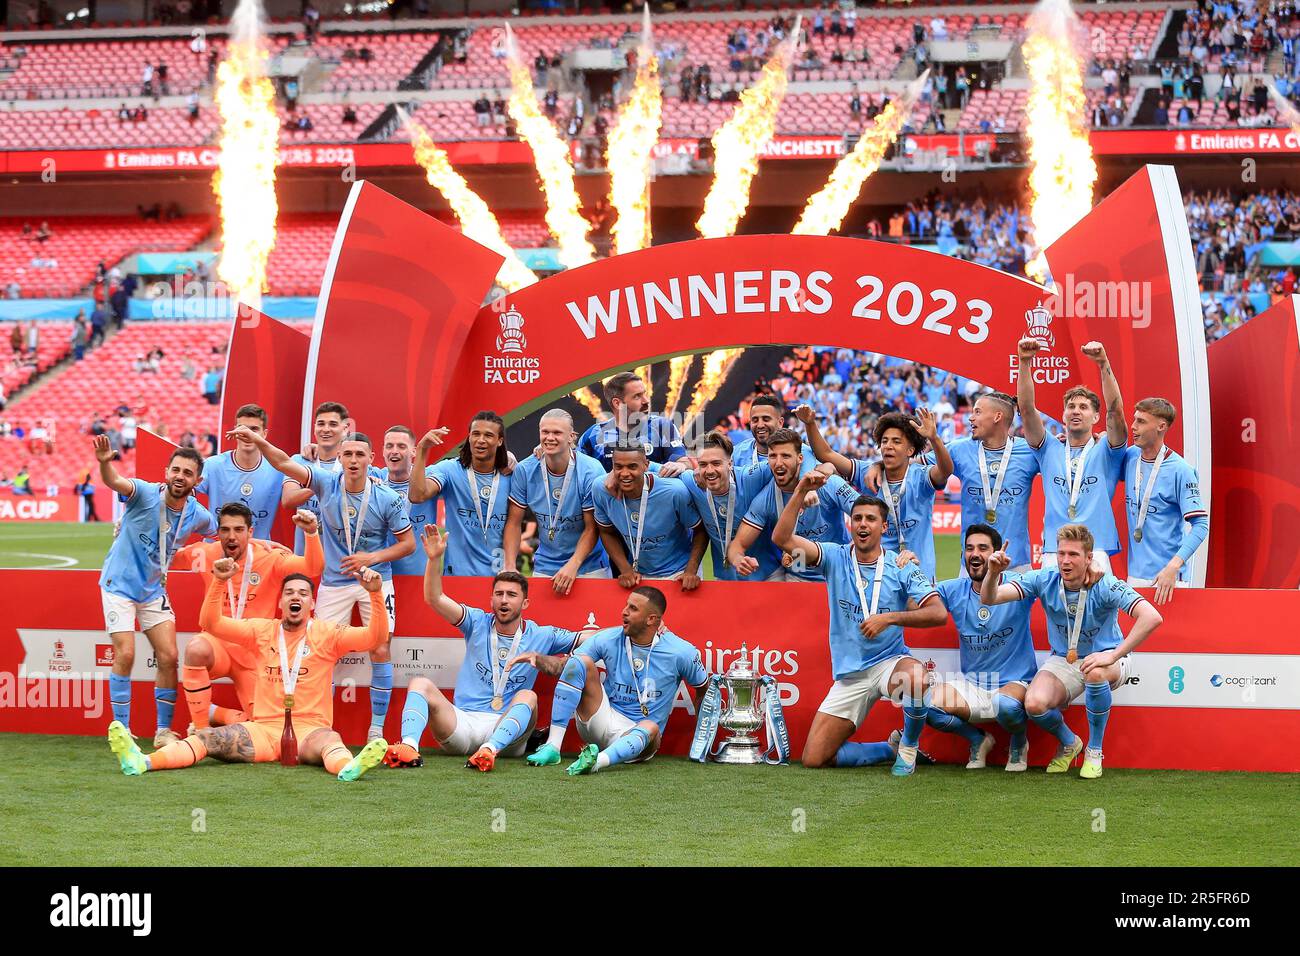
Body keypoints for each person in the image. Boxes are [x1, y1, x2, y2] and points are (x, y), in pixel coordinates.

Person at [107, 563, 390, 782]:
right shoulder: (262, 631)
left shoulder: (328, 634)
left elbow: (375, 637)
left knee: (330, 740)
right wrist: (219, 581)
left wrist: (375, 595)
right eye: (289, 593)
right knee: (207, 738)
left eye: (303, 594)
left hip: (310, 729)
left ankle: (348, 768)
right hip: (262, 730)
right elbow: (211, 623)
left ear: (312, 604)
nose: (296, 597)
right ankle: (142, 762)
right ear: (281, 602)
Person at [228, 423, 414, 742]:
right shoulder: (326, 482)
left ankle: (376, 729)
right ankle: (318, 725)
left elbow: (407, 544)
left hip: (375, 579)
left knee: (381, 647)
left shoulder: (386, 497)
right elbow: (283, 463)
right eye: (348, 454)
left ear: (371, 459)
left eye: (360, 455)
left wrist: (371, 558)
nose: (353, 460)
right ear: (339, 457)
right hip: (335, 582)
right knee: (318, 651)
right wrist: (258, 439)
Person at [773, 472, 947, 775]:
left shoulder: (901, 565)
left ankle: (908, 746)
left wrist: (889, 618)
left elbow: (938, 613)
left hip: (889, 662)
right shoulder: (833, 557)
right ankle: (888, 748)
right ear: (850, 524)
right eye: (857, 518)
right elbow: (782, 540)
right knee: (814, 758)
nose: (863, 524)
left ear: (884, 526)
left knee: (917, 679)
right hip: (852, 674)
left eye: (870, 519)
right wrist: (800, 490)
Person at [385, 526, 581, 772]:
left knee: (528, 696)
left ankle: (489, 751)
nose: (504, 599)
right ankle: (409, 747)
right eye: (499, 594)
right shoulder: (476, 622)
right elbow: (434, 598)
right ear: (491, 600)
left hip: (505, 732)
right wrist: (434, 560)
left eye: (511, 595)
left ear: (525, 603)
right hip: (462, 723)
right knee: (419, 684)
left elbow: (587, 638)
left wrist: (620, 631)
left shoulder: (542, 634)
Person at [980, 524, 1162, 779]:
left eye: (1073, 554)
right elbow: (990, 598)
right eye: (1061, 553)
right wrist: (992, 573)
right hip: (1064, 658)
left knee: (1095, 672)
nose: (1065, 561)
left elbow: (1152, 617)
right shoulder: (1045, 579)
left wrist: (1113, 655)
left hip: (1107, 659)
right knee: (1034, 704)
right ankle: (1069, 742)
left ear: (1089, 558)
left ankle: (1094, 751)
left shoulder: (1106, 584)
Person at [94, 435, 216, 748]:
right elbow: (115, 481)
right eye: (176, 470)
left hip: (152, 591)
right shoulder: (145, 493)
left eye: (187, 473)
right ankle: (121, 729)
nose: (180, 476)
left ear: (197, 481)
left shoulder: (197, 514)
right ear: (166, 472)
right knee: (126, 653)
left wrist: (255, 543)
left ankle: (162, 731)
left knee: (169, 655)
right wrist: (105, 463)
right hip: (119, 585)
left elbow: (219, 532)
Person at [516, 585, 709, 773]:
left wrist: (703, 738)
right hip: (601, 720)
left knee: (651, 726)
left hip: (639, 737)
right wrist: (538, 658)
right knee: (580, 661)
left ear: (651, 619)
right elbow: (564, 666)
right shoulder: (608, 638)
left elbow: (704, 691)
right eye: (626, 605)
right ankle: (553, 746)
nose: (624, 611)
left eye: (633, 608)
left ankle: (596, 761)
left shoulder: (681, 651)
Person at [174, 504, 324, 732]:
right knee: (196, 649)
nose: (231, 537)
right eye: (225, 530)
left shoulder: (270, 557)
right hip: (218, 644)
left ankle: (215, 713)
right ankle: (202, 730)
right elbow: (165, 559)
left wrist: (311, 533)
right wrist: (129, 535)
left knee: (267, 726)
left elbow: (312, 568)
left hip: (254, 650)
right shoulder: (206, 553)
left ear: (250, 532)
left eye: (238, 530)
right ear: (218, 532)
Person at [865, 390, 1039, 573]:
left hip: (1016, 564)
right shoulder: (959, 449)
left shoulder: (1029, 451)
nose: (970, 418)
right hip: (972, 565)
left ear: (997, 417)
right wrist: (879, 465)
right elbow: (907, 462)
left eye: (978, 412)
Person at [799, 405, 952, 581]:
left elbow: (945, 471)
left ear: (910, 450)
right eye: (884, 441)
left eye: (896, 441)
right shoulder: (866, 473)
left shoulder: (921, 477)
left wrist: (934, 438)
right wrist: (810, 424)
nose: (888, 446)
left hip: (919, 572)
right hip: (879, 577)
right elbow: (826, 453)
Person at [929, 524, 1038, 770]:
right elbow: (917, 602)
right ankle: (978, 739)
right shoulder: (951, 589)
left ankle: (1019, 741)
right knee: (923, 703)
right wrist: (909, 571)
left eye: (982, 548)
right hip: (973, 685)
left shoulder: (1020, 585)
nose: (975, 554)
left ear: (997, 553)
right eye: (969, 549)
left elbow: (1056, 582)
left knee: (1005, 706)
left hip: (1015, 683)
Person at [1017, 338, 1127, 571]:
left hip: (1095, 551)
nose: (1076, 411)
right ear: (1063, 415)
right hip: (1054, 551)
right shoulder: (1049, 448)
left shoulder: (1107, 451)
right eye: (1071, 407)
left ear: (1096, 417)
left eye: (1083, 407)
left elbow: (1116, 411)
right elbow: (1026, 410)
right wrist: (1024, 363)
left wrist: (1103, 363)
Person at [729, 427, 860, 581]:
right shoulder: (765, 499)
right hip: (798, 577)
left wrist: (853, 551)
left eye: (785, 456)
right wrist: (739, 560)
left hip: (839, 574)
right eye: (773, 456)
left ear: (800, 458)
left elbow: (868, 512)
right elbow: (737, 545)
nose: (778, 463)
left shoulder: (828, 484)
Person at [504, 409, 609, 590]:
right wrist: (510, 566)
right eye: (545, 432)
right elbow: (513, 523)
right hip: (546, 565)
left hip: (590, 565)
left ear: (571, 437)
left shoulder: (590, 470)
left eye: (557, 433)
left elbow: (592, 528)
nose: (550, 438)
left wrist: (573, 565)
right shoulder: (525, 470)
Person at [1122, 398, 1208, 603]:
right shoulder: (1130, 456)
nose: (1133, 426)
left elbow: (1201, 525)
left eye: (1141, 421)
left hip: (1169, 580)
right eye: (1134, 419)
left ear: (1161, 426)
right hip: (1135, 578)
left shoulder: (1181, 470)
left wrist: (1173, 567)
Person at [409, 411, 512, 576]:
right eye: (476, 434)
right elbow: (417, 495)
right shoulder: (450, 470)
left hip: (498, 577)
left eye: (488, 435)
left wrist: (540, 451)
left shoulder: (511, 475)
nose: (480, 440)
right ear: (469, 437)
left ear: (499, 441)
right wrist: (422, 449)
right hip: (456, 577)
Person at [592, 440, 706, 588]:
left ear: (646, 465)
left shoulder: (674, 491)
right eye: (618, 467)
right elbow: (606, 531)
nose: (625, 473)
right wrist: (625, 569)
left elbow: (700, 529)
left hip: (679, 573)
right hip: (639, 575)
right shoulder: (601, 489)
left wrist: (691, 571)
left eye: (632, 466)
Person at [194, 403, 287, 540]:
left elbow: (296, 496)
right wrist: (206, 522)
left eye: (254, 429)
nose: (247, 434)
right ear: (235, 431)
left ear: (264, 434)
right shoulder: (213, 465)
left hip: (258, 550)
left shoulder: (277, 470)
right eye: (242, 428)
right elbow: (186, 495)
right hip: (217, 548)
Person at [577, 371, 688, 474]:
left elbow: (682, 461)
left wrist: (681, 465)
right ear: (617, 403)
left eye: (644, 394)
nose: (646, 401)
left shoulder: (662, 427)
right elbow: (578, 473)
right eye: (637, 396)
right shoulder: (593, 435)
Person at [377, 423, 448, 579]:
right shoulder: (375, 477)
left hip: (421, 577)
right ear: (383, 451)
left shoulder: (428, 475)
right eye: (389, 446)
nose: (394, 451)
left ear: (414, 451)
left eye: (401, 446)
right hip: (383, 576)